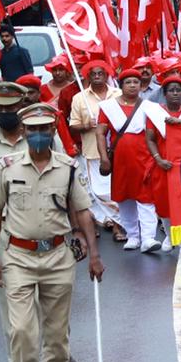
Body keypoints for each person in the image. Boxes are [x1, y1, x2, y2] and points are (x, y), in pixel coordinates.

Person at [0, 102, 103, 362]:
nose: (38, 134)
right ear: (24, 131)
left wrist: (94, 256)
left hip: (57, 256)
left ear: (52, 131)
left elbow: (82, 212)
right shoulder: (7, 167)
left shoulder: (67, 168)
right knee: (22, 331)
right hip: (17, 257)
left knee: (56, 333)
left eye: (44, 129)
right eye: (33, 130)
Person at [96, 68, 160, 251]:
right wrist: (104, 158)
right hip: (120, 160)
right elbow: (100, 133)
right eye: (128, 82)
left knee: (146, 198)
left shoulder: (149, 106)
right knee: (124, 198)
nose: (132, 86)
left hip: (144, 158)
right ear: (121, 85)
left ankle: (148, 238)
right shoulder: (108, 107)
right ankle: (132, 235)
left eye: (136, 82)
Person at [143, 76, 181, 257]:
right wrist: (158, 159)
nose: (175, 93)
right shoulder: (155, 113)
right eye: (171, 90)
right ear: (164, 94)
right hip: (164, 165)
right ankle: (170, 236)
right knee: (164, 204)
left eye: (178, 90)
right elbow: (150, 139)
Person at [69, 60, 123, 239]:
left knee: (120, 189)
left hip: (119, 150)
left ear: (107, 75)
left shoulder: (118, 94)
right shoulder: (79, 98)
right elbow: (73, 125)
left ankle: (119, 226)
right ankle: (118, 220)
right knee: (100, 192)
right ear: (88, 77)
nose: (97, 76)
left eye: (101, 73)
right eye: (94, 74)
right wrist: (86, 125)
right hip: (93, 151)